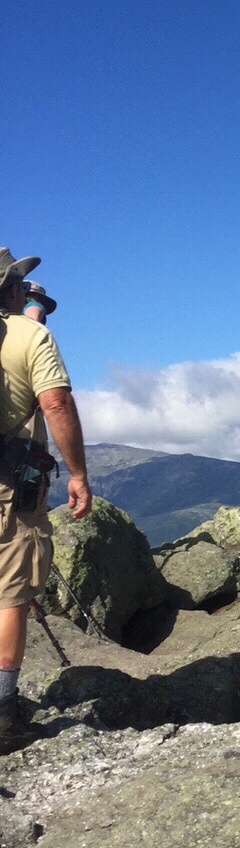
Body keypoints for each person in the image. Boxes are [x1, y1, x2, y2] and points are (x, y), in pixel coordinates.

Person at [0, 248, 90, 743]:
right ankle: (2, 713)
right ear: (13, 290)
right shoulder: (30, 336)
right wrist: (77, 473)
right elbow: (55, 401)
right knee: (10, 591)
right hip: (9, 487)